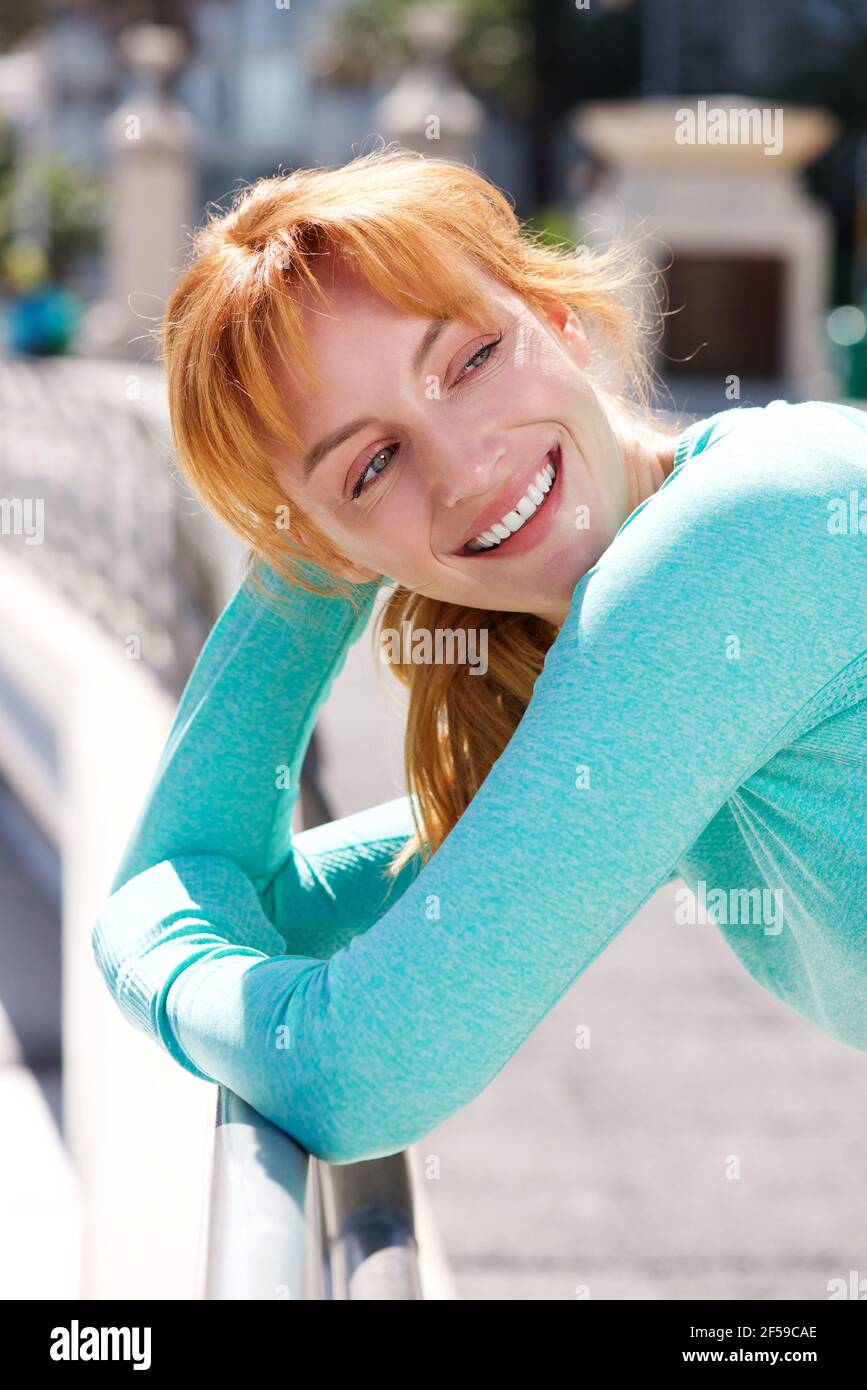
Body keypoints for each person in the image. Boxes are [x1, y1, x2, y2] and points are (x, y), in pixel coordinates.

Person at [91, 147, 867, 1166]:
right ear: (335, 549)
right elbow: (244, 897)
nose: (464, 468)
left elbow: (356, 1072)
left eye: (468, 360)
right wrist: (312, 567)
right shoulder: (656, 655)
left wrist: (136, 953)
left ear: (557, 319)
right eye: (374, 462)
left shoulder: (743, 541)